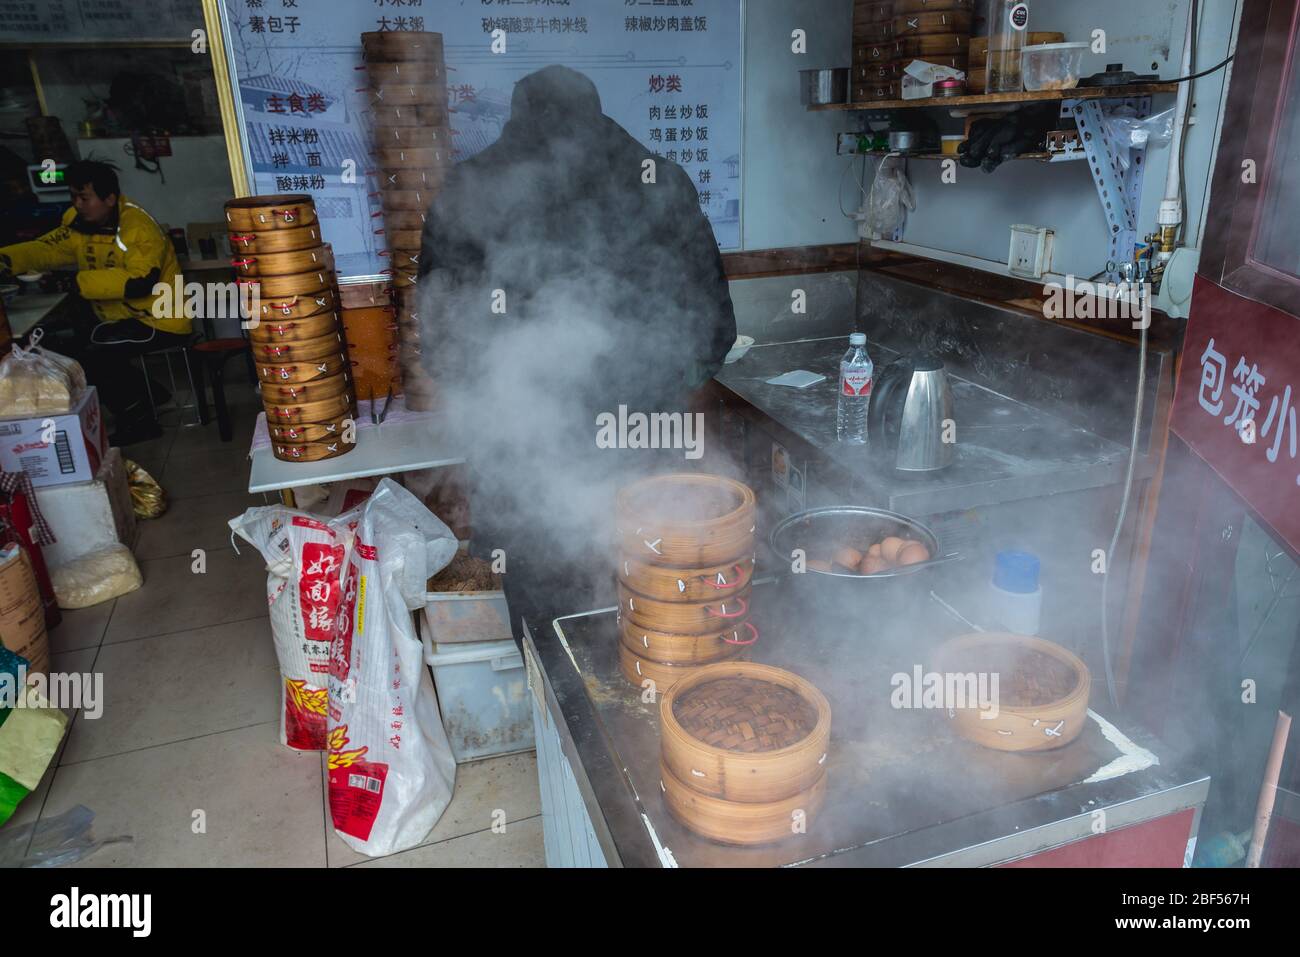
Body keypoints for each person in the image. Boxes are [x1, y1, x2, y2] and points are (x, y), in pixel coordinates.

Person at [416, 65, 737, 616]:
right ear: (596, 112)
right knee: (646, 581)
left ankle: (550, 693)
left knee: (541, 590)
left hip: (522, 440)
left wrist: (490, 403)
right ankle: (650, 676)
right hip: (642, 430)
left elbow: (446, 340)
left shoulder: (466, 190)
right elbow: (712, 327)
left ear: (516, 120)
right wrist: (663, 381)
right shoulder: (659, 178)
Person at [0, 160, 189, 445]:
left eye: (84, 197)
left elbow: (140, 281)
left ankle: (140, 420)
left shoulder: (138, 227)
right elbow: (46, 249)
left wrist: (75, 283)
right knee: (61, 345)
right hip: (118, 317)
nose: (78, 204)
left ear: (109, 198)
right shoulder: (77, 223)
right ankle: (149, 393)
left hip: (160, 319)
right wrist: (7, 259)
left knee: (91, 356)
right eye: (74, 196)